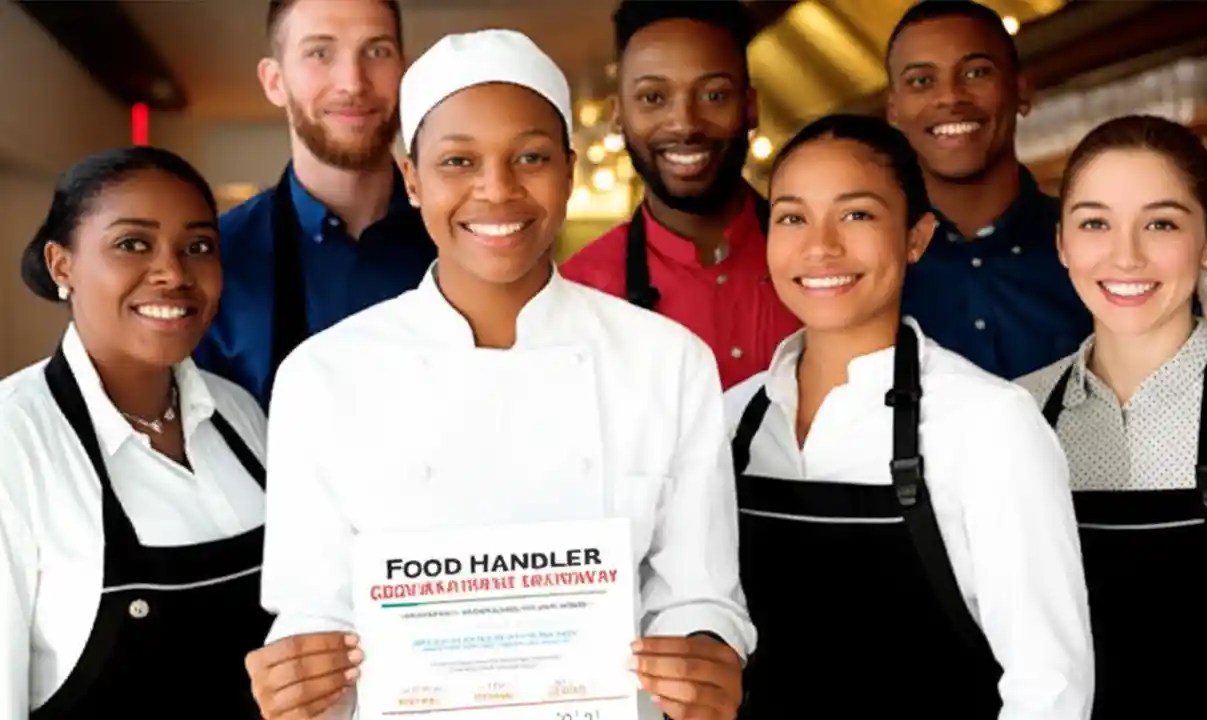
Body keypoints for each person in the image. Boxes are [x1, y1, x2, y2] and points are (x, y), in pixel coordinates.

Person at [241, 29, 754, 720]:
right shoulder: (324, 377)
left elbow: (700, 593)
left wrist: (706, 652)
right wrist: (299, 680)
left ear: (570, 171)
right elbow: (312, 611)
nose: (497, 190)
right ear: (413, 180)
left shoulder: (667, 361)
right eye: (458, 161)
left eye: (531, 157)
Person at [725, 114, 1094, 718]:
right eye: (792, 216)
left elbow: (1049, 688)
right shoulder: (728, 424)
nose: (820, 245)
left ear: (917, 237)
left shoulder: (989, 425)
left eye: (857, 214)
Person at [1018, 115, 1207, 718]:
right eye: (1094, 223)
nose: (1126, 255)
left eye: (1160, 223)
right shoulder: (1014, 420)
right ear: (1061, 243)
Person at [0, 147, 270, 718]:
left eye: (198, 247)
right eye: (132, 244)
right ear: (61, 265)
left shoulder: (241, 416)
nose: (173, 273)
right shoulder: (14, 441)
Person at [194, 0, 434, 410]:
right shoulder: (216, 262)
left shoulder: (460, 244)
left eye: (376, 51)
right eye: (319, 53)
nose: (353, 83)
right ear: (275, 81)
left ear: (405, 74)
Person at [561, 0, 801, 390]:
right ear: (618, 114)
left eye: (713, 95)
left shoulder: (825, 265)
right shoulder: (579, 294)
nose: (685, 124)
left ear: (751, 106)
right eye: (653, 98)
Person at [885, 1, 1091, 379]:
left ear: (1020, 91)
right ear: (893, 110)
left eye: (976, 72)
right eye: (921, 81)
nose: (950, 97)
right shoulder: (873, 266)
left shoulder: (1098, 249)